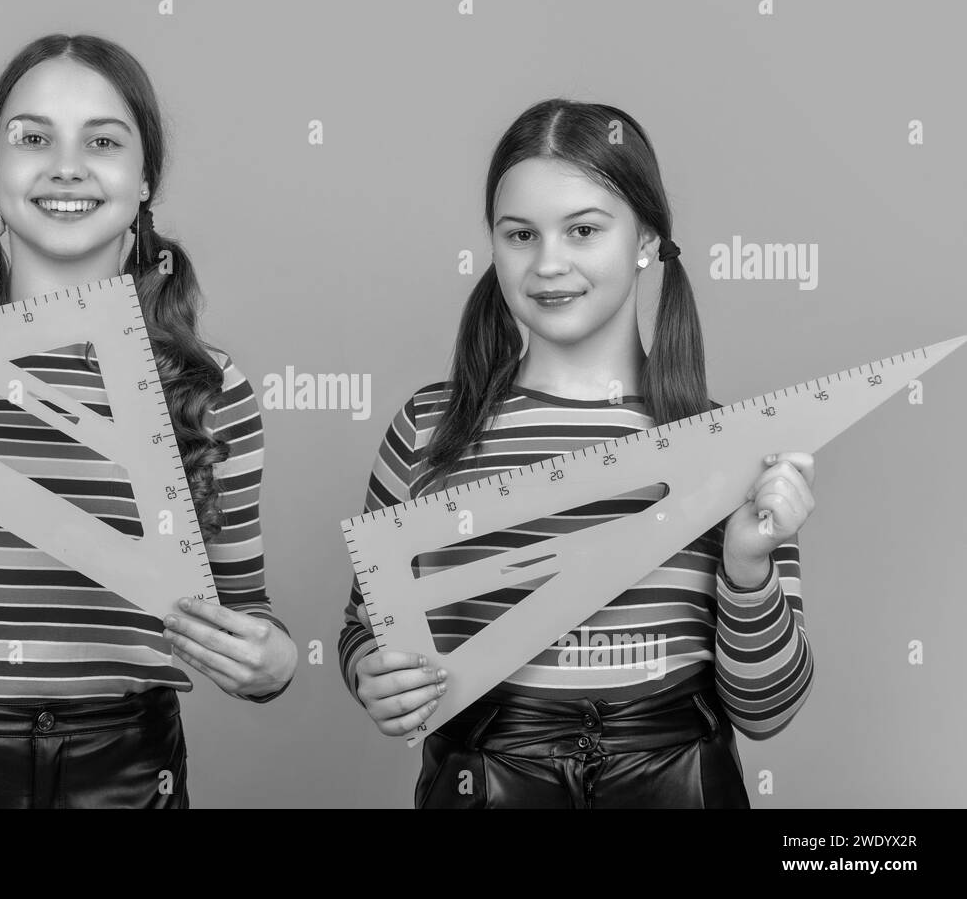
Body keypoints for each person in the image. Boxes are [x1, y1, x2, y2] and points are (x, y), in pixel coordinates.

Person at [0, 33, 296, 809]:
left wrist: (273, 664)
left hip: (131, 772)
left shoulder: (208, 388)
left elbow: (247, 617)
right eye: (32, 139)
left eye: (103, 141)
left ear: (144, 182)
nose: (66, 166)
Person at [338, 98, 815, 808]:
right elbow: (364, 627)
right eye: (520, 234)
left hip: (679, 785)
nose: (548, 263)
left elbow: (766, 712)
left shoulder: (727, 448)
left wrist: (748, 570)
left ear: (646, 240)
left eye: (584, 229)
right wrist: (371, 674)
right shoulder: (427, 430)